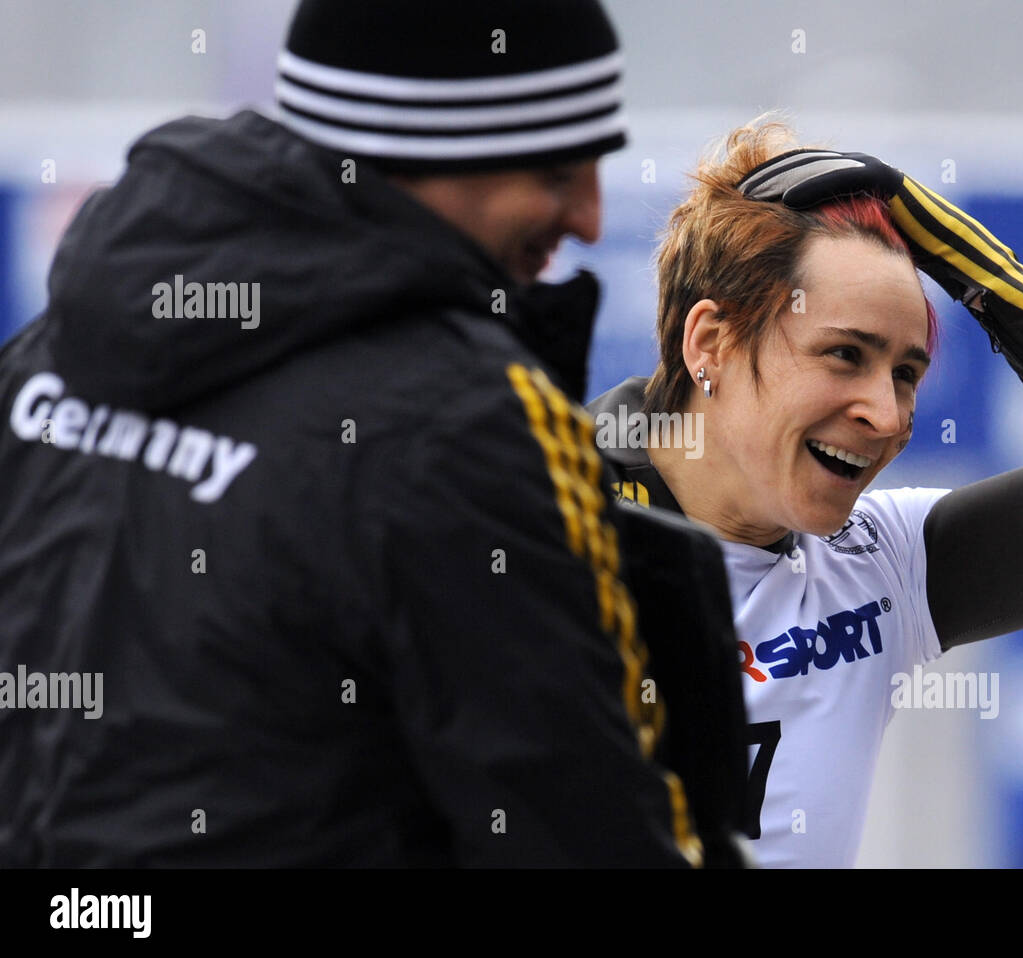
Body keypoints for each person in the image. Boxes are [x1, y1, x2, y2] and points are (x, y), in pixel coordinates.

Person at [0, 0, 749, 868]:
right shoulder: (465, 419)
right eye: (554, 171)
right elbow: (588, 829)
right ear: (423, 160)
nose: (586, 217)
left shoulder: (49, 352)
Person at [589, 120, 1023, 867]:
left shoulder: (881, 561)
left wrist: (961, 256)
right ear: (710, 344)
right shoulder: (536, 534)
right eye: (844, 354)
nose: (887, 416)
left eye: (906, 373)